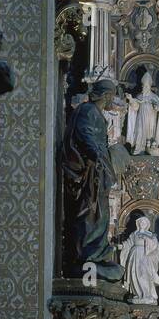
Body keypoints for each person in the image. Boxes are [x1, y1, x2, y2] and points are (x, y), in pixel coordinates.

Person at [63, 80, 122, 281]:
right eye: (110, 97)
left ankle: (95, 254)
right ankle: (88, 255)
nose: (111, 101)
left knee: (101, 213)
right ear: (104, 95)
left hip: (98, 172)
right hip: (90, 173)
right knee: (92, 212)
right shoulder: (88, 110)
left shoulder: (94, 112)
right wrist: (97, 155)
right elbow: (85, 135)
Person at [119, 215, 159, 304]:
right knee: (134, 274)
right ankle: (138, 294)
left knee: (144, 275)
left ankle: (147, 295)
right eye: (141, 222)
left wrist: (147, 239)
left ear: (147, 224)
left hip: (145, 256)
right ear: (138, 223)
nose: (142, 224)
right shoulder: (134, 234)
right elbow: (128, 243)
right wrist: (122, 246)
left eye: (144, 222)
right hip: (134, 256)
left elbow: (156, 247)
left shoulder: (151, 235)